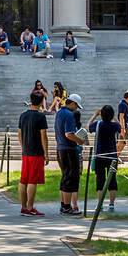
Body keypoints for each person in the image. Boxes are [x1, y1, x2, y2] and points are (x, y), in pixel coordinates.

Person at [17, 88, 49, 216]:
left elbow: (19, 133)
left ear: (30, 101)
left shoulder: (23, 115)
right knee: (32, 180)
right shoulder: (41, 116)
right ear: (41, 102)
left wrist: (23, 146)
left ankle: (24, 207)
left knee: (23, 180)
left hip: (26, 151)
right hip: (36, 152)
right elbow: (44, 136)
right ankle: (30, 208)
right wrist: (46, 153)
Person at [53, 91, 85, 216]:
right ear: (72, 103)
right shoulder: (69, 115)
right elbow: (69, 134)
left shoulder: (59, 112)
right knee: (71, 178)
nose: (76, 109)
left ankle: (63, 205)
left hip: (60, 148)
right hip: (69, 149)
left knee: (65, 176)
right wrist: (80, 140)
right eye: (76, 106)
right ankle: (67, 207)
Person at [89, 102, 122, 215]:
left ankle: (100, 204)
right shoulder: (114, 126)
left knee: (100, 179)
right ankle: (111, 205)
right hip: (112, 156)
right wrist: (114, 117)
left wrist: (95, 115)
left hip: (100, 156)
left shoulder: (98, 124)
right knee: (112, 180)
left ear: (102, 114)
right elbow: (121, 127)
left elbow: (88, 126)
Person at [116, 91, 128, 162]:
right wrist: (123, 128)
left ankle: (115, 157)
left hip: (126, 126)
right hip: (124, 127)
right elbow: (121, 117)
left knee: (121, 143)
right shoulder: (123, 104)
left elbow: (127, 117)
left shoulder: (124, 104)